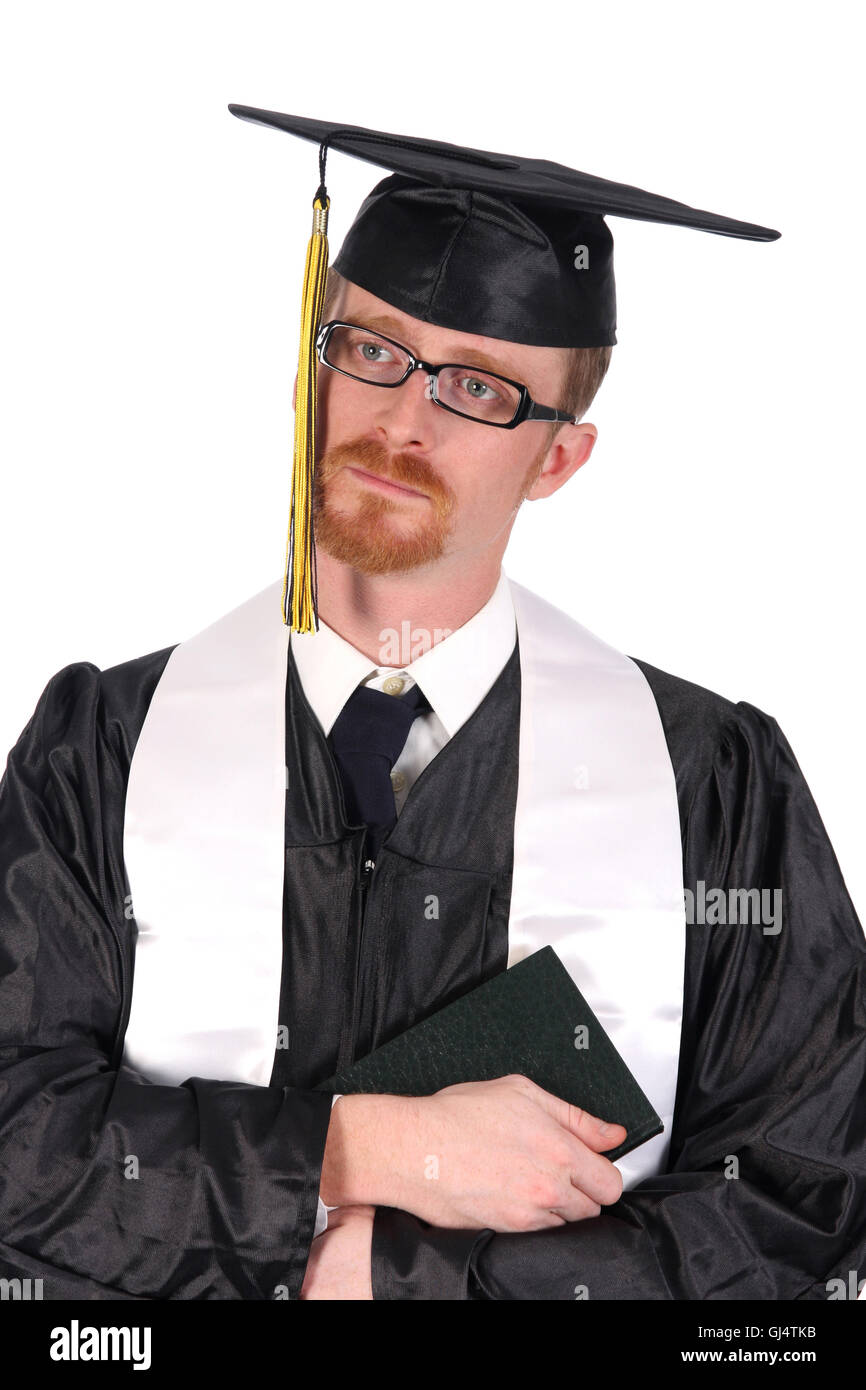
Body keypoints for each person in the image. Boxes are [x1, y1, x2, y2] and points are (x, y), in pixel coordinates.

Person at [0, 110, 863, 1302]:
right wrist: (363, 1151)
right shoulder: (100, 751)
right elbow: (9, 1147)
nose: (402, 419)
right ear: (315, 359)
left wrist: (399, 1278)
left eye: (478, 387)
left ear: (558, 458)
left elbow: (801, 1206)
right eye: (371, 351)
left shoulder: (709, 782)